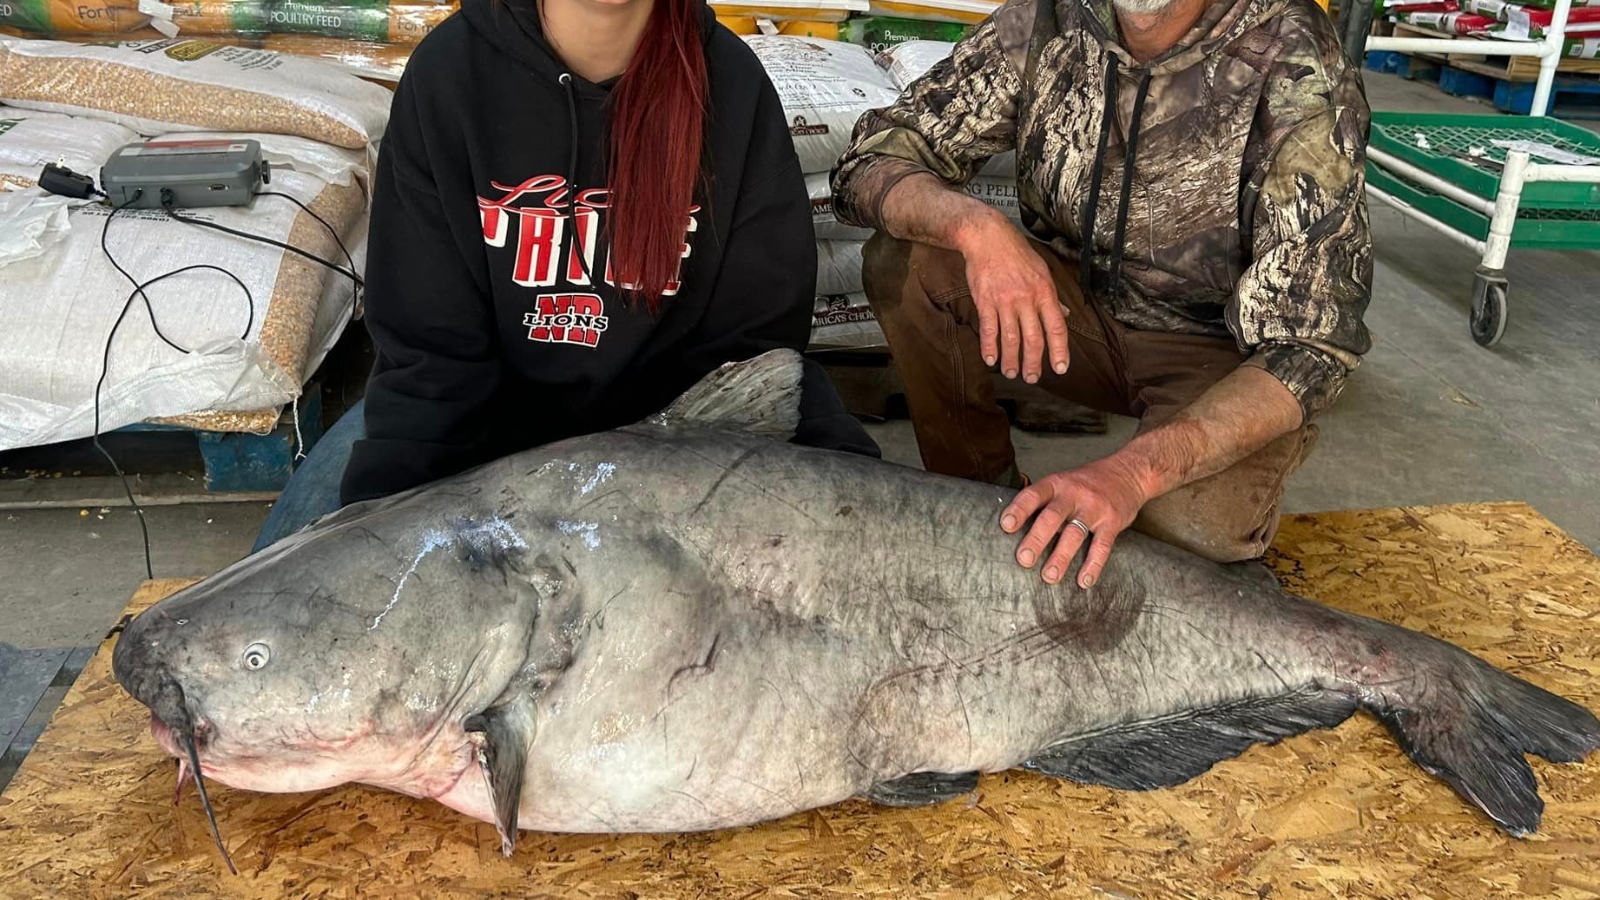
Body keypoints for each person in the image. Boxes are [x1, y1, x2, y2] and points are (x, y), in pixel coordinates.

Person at [254, 0, 877, 552]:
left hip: (681, 444)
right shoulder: (450, 76)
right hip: (482, 439)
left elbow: (749, 357)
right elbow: (432, 359)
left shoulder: (730, 82)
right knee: (295, 586)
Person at [831, 0, 1372, 589]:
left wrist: (1132, 476)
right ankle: (980, 499)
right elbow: (877, 152)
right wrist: (974, 226)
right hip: (1068, 319)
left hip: (1216, 357)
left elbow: (1311, 348)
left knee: (1182, 539)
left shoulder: (1295, 60)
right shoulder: (1049, 19)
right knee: (908, 257)